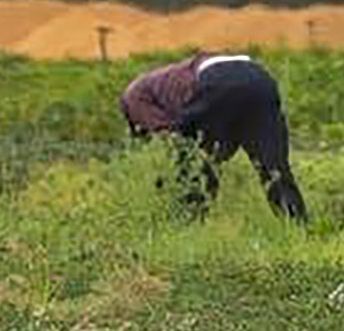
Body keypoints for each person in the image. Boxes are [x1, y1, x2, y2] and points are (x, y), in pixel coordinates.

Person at [121, 52, 308, 221]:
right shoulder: (169, 80)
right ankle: (298, 227)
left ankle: (185, 226)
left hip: (217, 79)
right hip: (258, 78)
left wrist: (162, 181)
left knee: (192, 162)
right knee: (274, 167)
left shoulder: (133, 96)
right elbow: (222, 136)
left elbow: (172, 135)